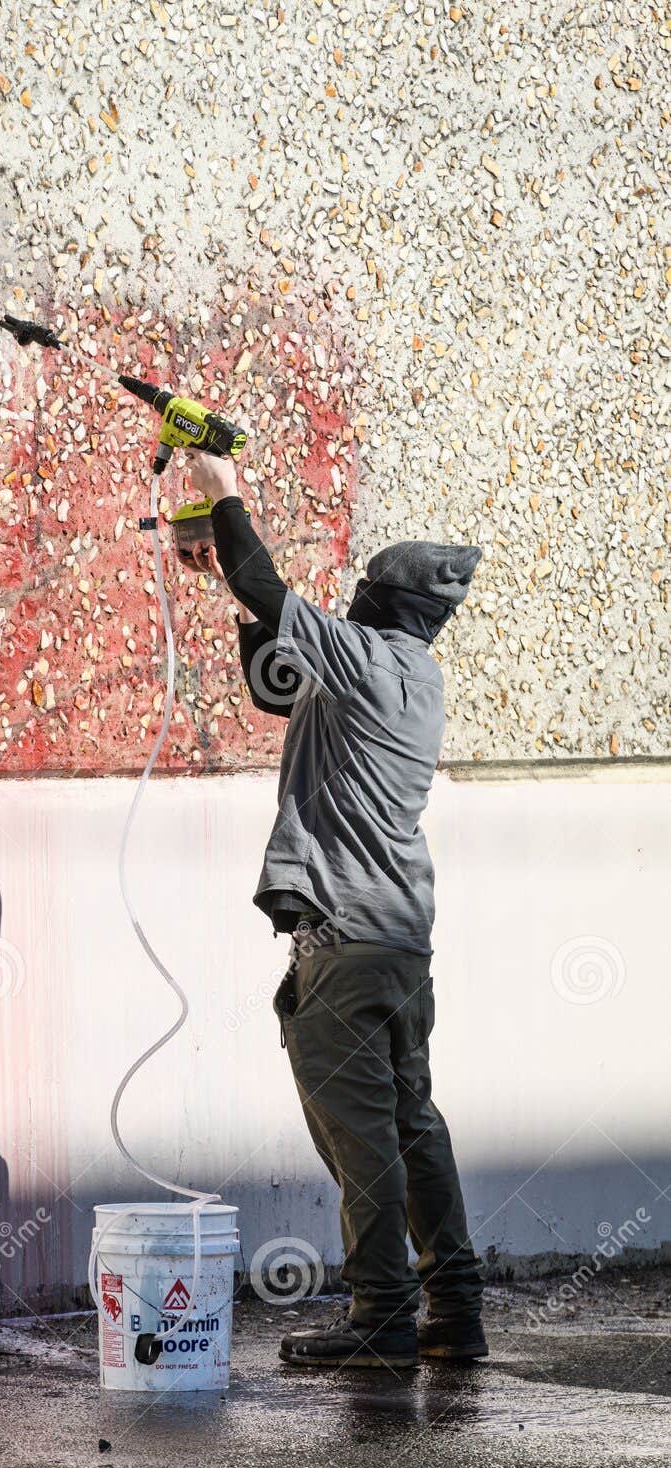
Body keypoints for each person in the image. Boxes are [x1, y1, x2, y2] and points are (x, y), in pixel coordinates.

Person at [180, 450, 487, 1370]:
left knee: (361, 1140)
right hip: (399, 941)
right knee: (412, 1126)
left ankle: (381, 1319)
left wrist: (217, 484)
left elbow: (262, 583)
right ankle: (453, 1312)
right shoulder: (413, 679)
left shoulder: (362, 655)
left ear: (378, 604)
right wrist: (232, 590)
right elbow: (281, 685)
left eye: (357, 593)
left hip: (343, 944)